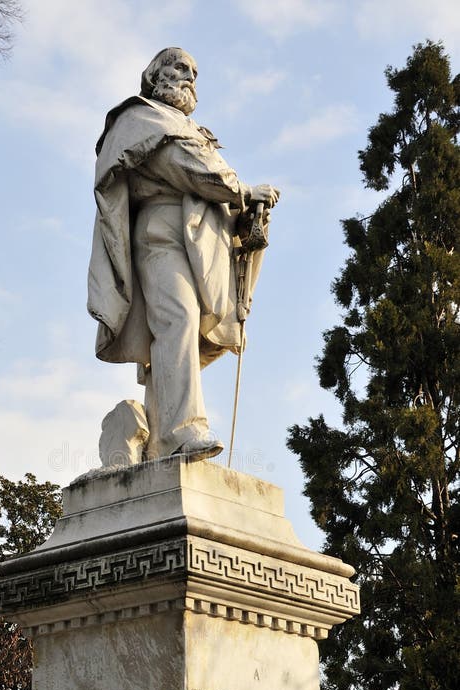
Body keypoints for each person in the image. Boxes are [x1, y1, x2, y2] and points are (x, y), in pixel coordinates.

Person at [88, 47, 279, 462]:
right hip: (160, 234)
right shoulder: (141, 118)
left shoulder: (193, 131)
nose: (189, 75)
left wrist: (246, 213)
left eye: (194, 70)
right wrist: (244, 190)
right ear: (155, 76)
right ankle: (183, 430)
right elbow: (187, 168)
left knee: (183, 335)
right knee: (178, 319)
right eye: (178, 66)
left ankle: (159, 440)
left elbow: (211, 186)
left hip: (200, 239)